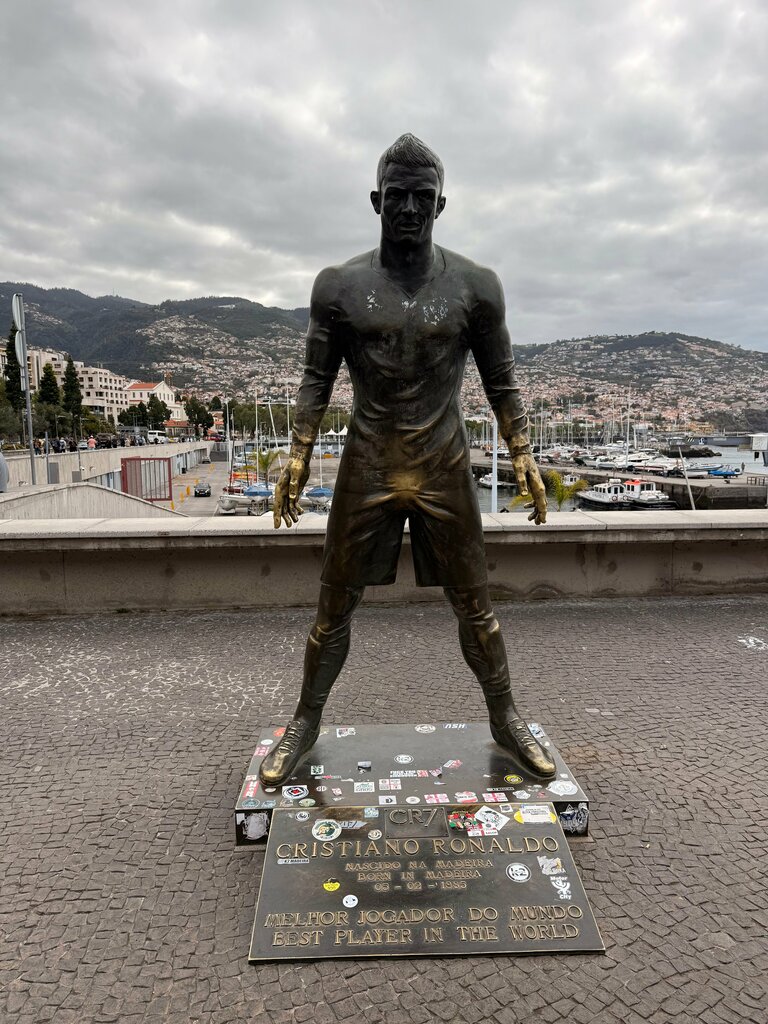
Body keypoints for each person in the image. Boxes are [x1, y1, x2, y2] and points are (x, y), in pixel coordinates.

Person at [259, 134, 554, 786]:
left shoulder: (476, 287)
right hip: (366, 460)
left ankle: (506, 718)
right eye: (398, 197)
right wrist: (298, 455)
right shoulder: (339, 287)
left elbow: (501, 381)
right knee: (333, 607)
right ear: (376, 201)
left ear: (442, 204)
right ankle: (304, 722)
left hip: (444, 462)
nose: (411, 210)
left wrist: (524, 452)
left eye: (424, 198)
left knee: (475, 606)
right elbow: (316, 381)